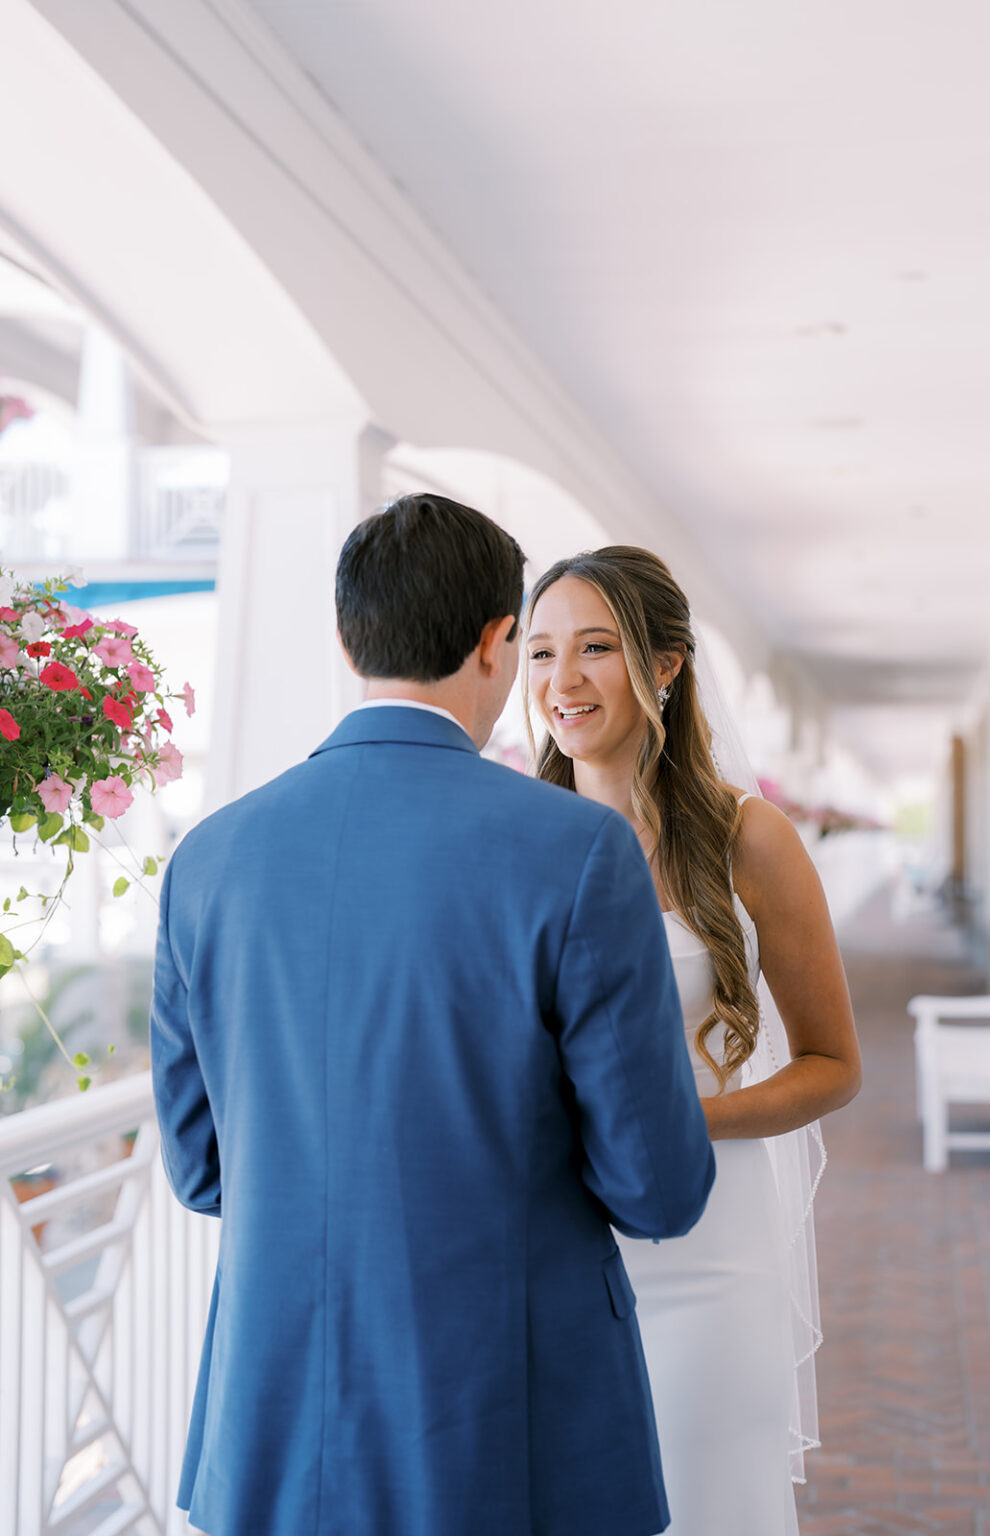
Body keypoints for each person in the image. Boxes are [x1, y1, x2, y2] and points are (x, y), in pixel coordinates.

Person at [150, 496, 715, 1536]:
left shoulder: (209, 859)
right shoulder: (577, 851)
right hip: (510, 1417)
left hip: (277, 1412)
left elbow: (199, 1168)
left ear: (346, 637)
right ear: (499, 641)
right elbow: (657, 1188)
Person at [525, 546, 862, 1536]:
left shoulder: (747, 839)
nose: (562, 682)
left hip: (705, 1252)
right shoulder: (519, 837)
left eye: (595, 648)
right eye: (540, 654)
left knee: (704, 1507)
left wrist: (682, 1122)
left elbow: (833, 1065)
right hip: (549, 1245)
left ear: (664, 663)